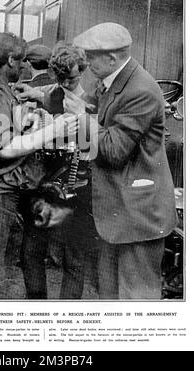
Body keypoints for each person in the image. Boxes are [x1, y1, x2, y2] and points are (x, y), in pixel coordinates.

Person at [0, 32, 78, 299]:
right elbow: (5, 148)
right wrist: (53, 129)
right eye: (20, 61)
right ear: (10, 60)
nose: (23, 67)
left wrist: (23, 124)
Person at [62, 22, 177, 300]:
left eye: (91, 57)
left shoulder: (140, 90)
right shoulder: (115, 81)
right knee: (111, 297)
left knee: (135, 301)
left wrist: (80, 119)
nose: (87, 64)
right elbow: (93, 109)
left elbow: (114, 150)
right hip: (120, 212)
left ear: (112, 58)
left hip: (138, 216)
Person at [20, 44, 97, 299]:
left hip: (79, 181)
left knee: (74, 259)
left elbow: (98, 141)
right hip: (45, 178)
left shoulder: (95, 99)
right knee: (31, 251)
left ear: (83, 72)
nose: (66, 83)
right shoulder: (50, 91)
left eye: (72, 78)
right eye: (60, 77)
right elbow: (41, 95)